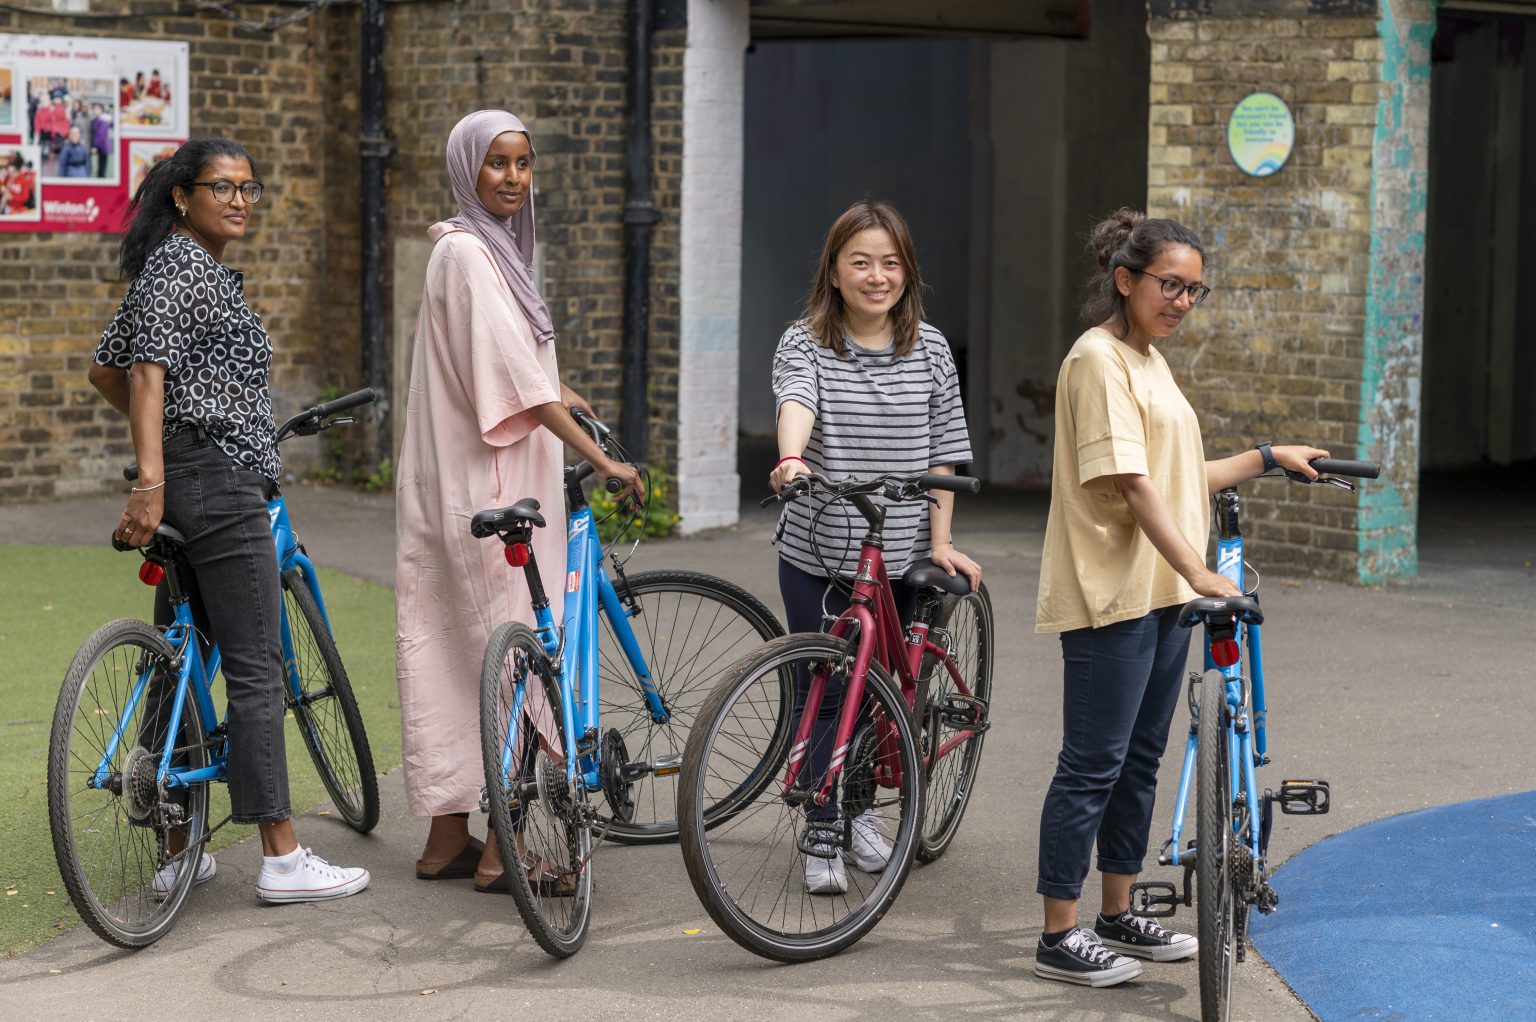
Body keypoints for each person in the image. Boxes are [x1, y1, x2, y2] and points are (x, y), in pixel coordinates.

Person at [1030, 208, 1328, 987]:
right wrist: (1199, 570)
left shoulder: (1150, 360)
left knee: (1138, 761)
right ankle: (1059, 934)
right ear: (1124, 280)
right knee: (1091, 763)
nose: (1183, 301)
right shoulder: (1098, 361)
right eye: (1171, 285)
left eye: (1196, 290)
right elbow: (1131, 485)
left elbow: (1175, 474)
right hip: (1112, 593)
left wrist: (1266, 456)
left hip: (1159, 591)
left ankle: (1117, 913)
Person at [87, 137, 371, 904]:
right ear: (184, 196)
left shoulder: (174, 270)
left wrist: (167, 444)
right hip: (217, 483)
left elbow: (106, 367)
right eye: (223, 187)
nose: (240, 200)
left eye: (251, 187)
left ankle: (177, 848)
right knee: (254, 667)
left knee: (175, 663)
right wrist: (155, 472)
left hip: (190, 478)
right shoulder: (185, 270)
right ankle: (281, 856)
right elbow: (143, 373)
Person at [395, 109, 641, 893]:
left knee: (451, 651)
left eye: (522, 163)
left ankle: (446, 838)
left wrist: (570, 391)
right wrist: (604, 458)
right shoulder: (470, 254)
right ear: (467, 167)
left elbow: (513, 362)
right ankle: (506, 853)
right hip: (496, 485)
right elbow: (518, 389)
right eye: (496, 162)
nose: (511, 177)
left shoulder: (477, 253)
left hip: (451, 487)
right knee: (523, 663)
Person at [769, 200, 981, 895]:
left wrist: (942, 541)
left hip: (904, 550)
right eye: (860, 261)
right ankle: (821, 823)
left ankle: (860, 809)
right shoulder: (805, 343)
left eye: (890, 262)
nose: (876, 275)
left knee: (881, 694)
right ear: (834, 271)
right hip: (819, 547)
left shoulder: (932, 347)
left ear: (907, 272)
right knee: (826, 691)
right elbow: (796, 398)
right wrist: (792, 458)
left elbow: (947, 450)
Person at [90, 104, 112, 178]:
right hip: (100, 146)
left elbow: (100, 135)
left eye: (97, 109)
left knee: (102, 168)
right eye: (94, 109)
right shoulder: (95, 120)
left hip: (102, 147)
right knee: (99, 167)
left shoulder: (103, 121)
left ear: (101, 110)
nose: (95, 111)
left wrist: (95, 146)